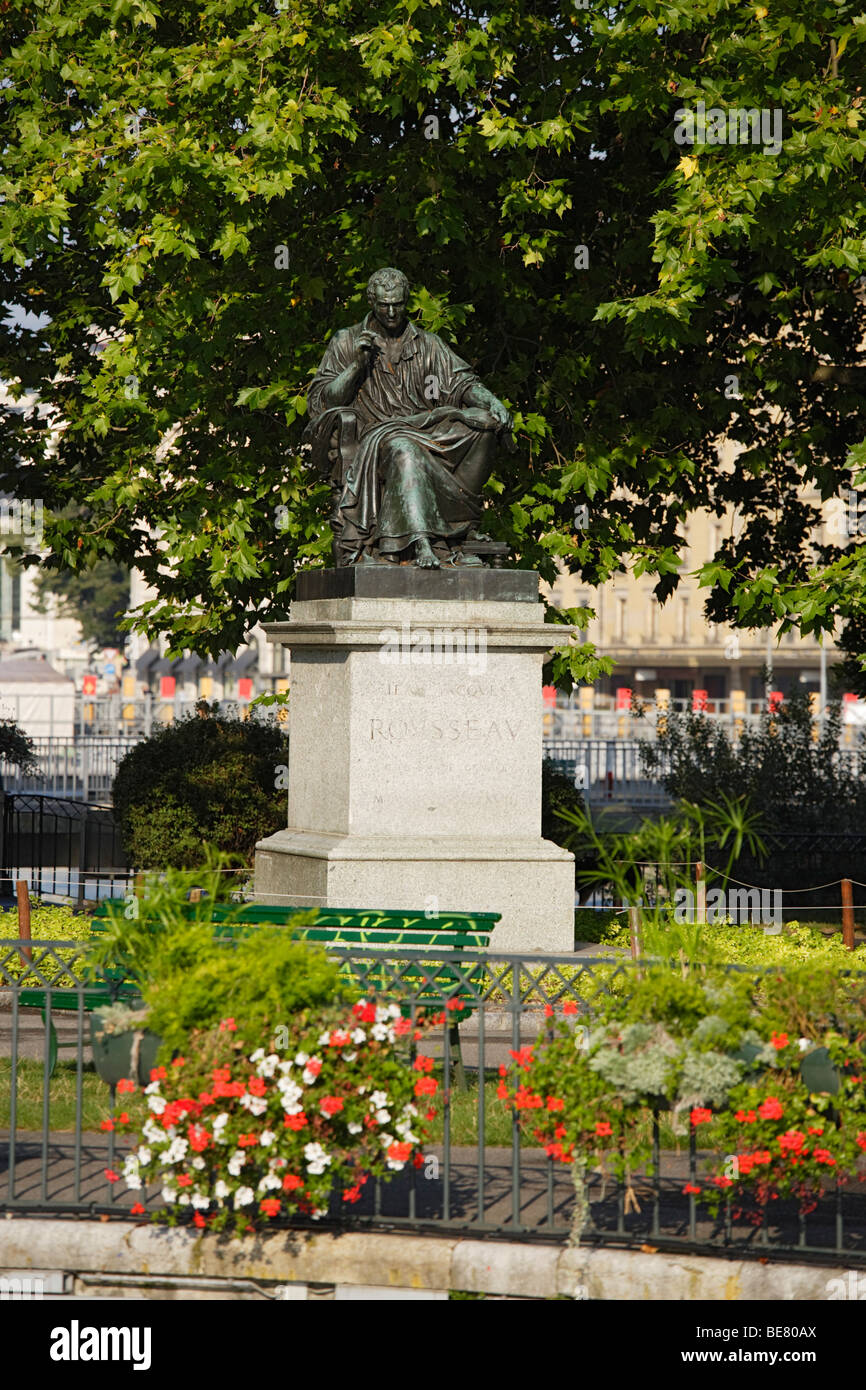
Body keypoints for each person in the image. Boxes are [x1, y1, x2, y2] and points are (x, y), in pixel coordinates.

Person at [303, 267, 513, 568]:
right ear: (371, 301)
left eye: (398, 304)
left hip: (427, 428)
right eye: (384, 304)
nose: (391, 312)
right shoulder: (346, 341)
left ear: (406, 301)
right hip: (378, 436)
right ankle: (420, 542)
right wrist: (356, 366)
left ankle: (461, 527)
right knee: (405, 448)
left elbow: (463, 384)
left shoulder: (428, 343)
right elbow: (324, 401)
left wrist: (492, 402)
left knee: (485, 427)